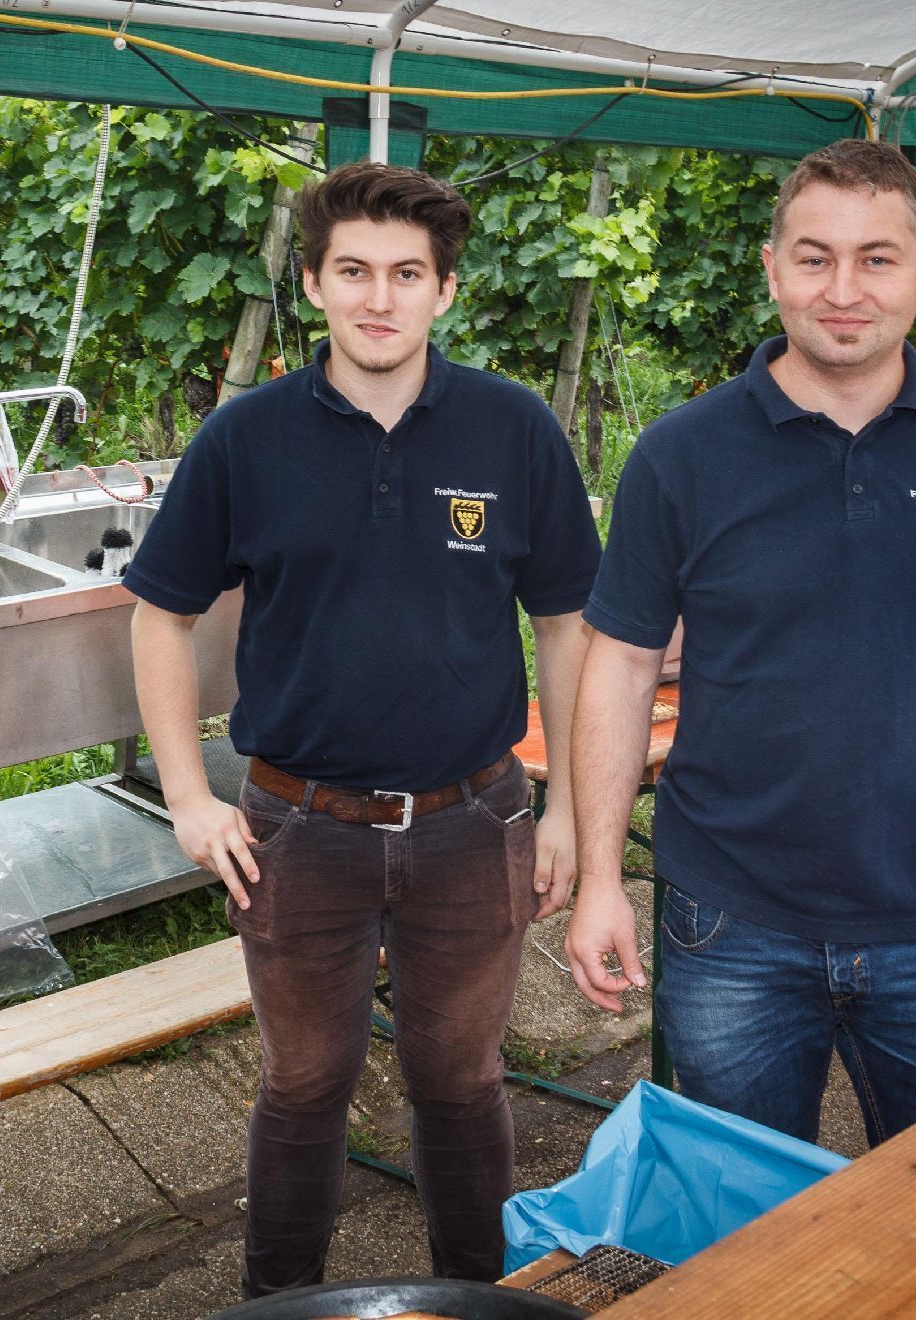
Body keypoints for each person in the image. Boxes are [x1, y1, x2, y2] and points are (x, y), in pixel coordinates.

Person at [565, 140, 916, 1147]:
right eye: (815, 256)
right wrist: (602, 877)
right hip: (728, 919)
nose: (844, 289)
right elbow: (620, 661)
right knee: (743, 1233)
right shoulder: (682, 455)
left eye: (876, 257)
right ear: (773, 266)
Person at [125, 162, 601, 1295]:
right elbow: (160, 614)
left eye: (405, 275)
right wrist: (191, 798)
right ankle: (277, 1304)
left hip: (472, 821)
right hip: (298, 829)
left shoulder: (514, 428)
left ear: (444, 291)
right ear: (313, 283)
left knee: (463, 1083)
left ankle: (475, 1298)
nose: (377, 299)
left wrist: (575, 811)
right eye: (353, 273)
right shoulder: (246, 439)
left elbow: (571, 626)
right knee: (302, 1088)